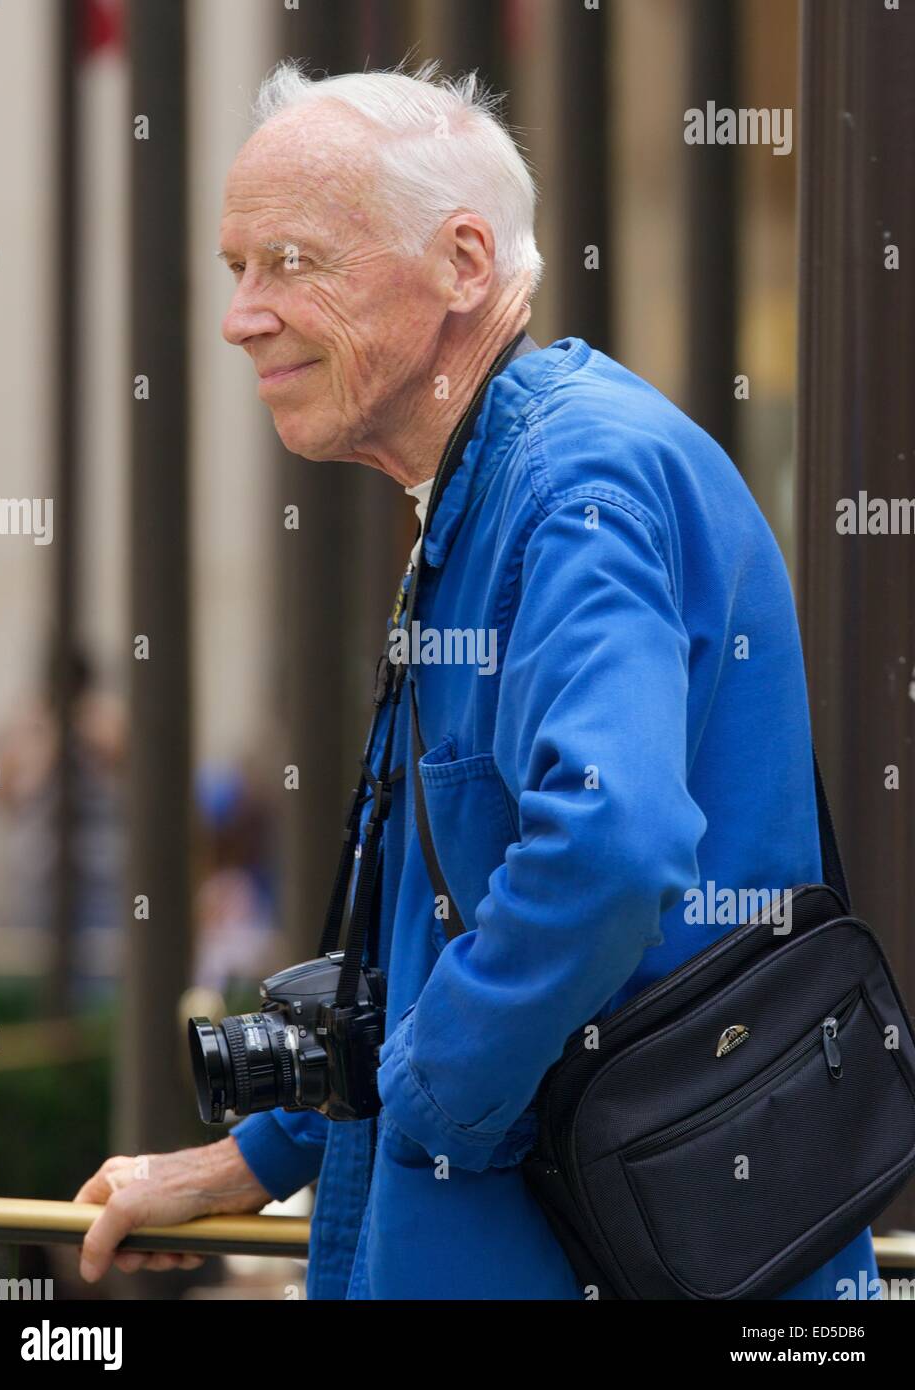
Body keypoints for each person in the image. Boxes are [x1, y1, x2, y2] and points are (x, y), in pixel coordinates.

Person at [76, 59, 878, 1299]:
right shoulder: (510, 475)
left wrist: (425, 1108)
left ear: (461, 263)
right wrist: (252, 1156)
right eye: (235, 268)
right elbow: (442, 935)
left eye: (289, 261)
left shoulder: (572, 485)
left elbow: (610, 844)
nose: (240, 313)